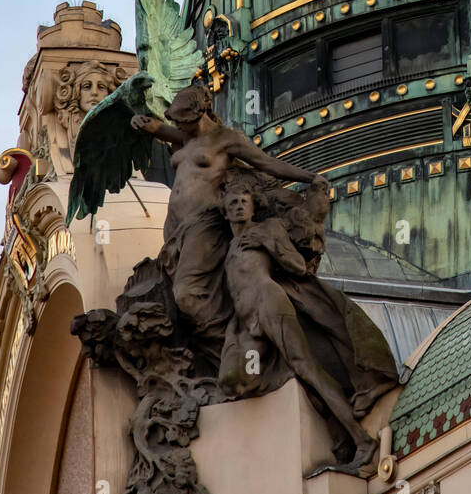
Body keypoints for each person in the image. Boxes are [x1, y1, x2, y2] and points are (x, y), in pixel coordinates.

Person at [218, 171, 398, 470]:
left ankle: (361, 440)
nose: (239, 206)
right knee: (232, 379)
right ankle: (338, 433)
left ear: (253, 207)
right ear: (224, 210)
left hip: (269, 303)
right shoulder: (231, 246)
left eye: (244, 201)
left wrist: (267, 241)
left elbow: (298, 266)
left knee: (307, 369)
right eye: (233, 202)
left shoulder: (268, 228)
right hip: (246, 319)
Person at [130, 85, 324, 357]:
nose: (179, 125)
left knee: (187, 293)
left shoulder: (226, 139)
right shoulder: (186, 138)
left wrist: (310, 178)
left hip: (205, 223)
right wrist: (141, 122)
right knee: (174, 294)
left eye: (183, 120)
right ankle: (220, 349)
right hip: (175, 228)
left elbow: (266, 163)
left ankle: (233, 345)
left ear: (199, 114)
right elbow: (161, 129)